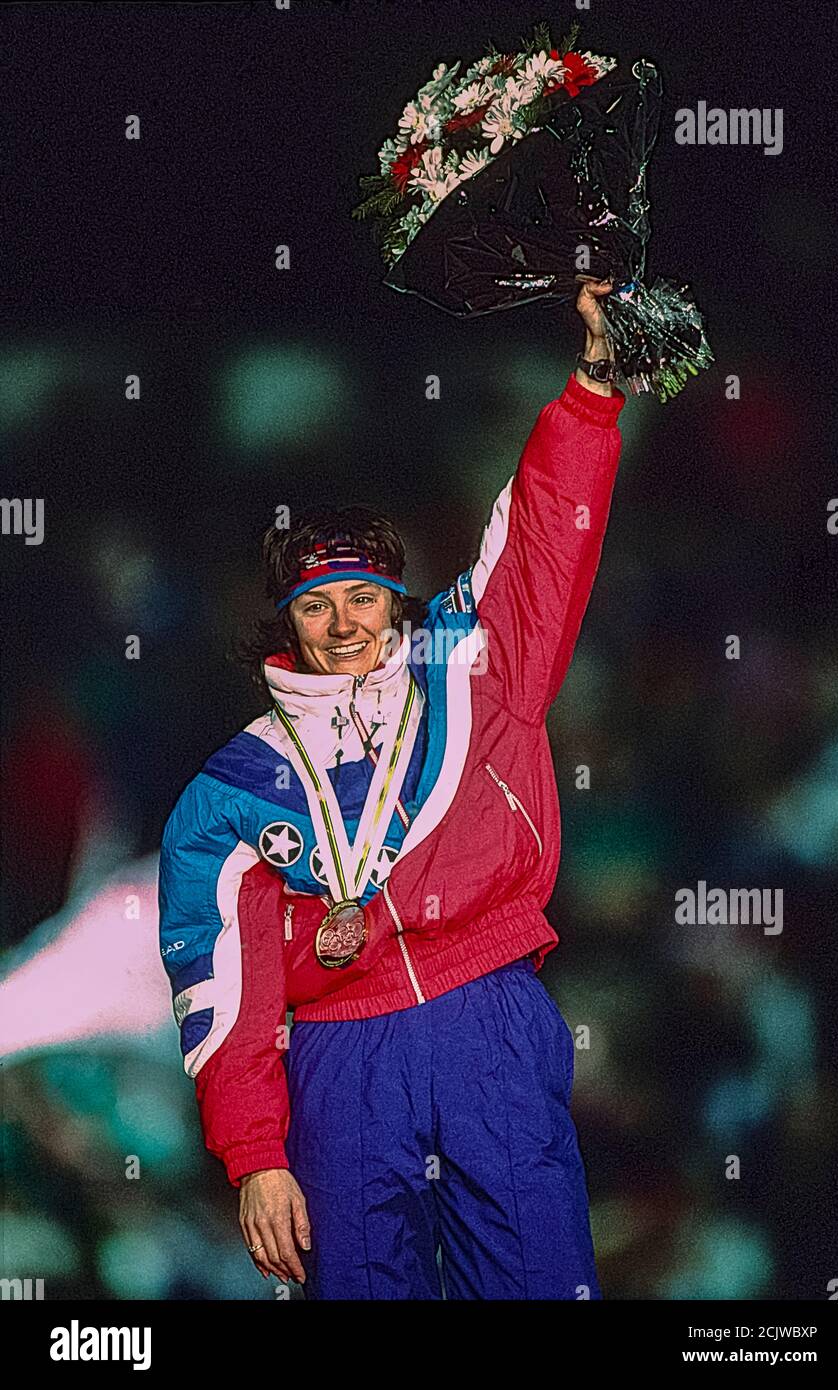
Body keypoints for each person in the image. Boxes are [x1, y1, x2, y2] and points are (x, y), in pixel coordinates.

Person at [158, 278, 626, 1299]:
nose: (342, 624)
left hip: (487, 1017)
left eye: (363, 595)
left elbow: (547, 532)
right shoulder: (229, 794)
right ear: (286, 626)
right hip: (337, 1060)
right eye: (315, 606)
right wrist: (257, 1156)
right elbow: (224, 998)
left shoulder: (475, 670)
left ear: (396, 600)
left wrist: (593, 387)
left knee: (544, 1280)